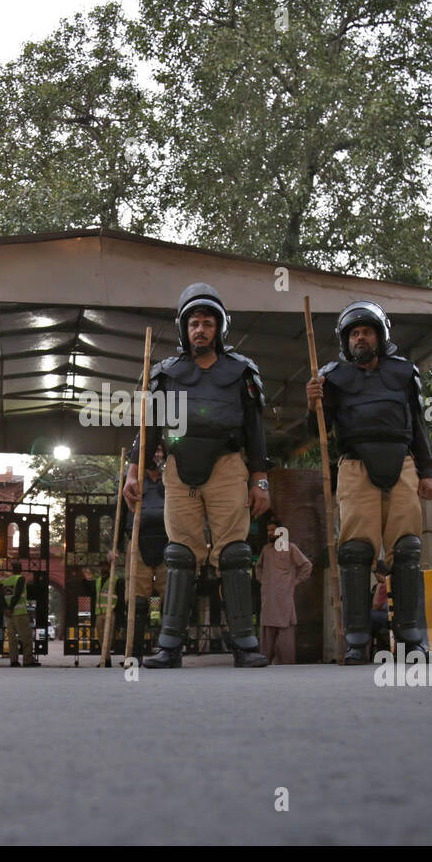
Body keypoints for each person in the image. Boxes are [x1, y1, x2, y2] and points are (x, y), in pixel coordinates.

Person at [124, 282, 270, 668]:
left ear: (220, 328)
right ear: (183, 330)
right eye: (194, 324)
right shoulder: (165, 374)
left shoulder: (242, 372)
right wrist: (133, 472)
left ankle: (244, 644)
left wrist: (260, 480)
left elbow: (256, 433)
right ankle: (169, 646)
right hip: (179, 469)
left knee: (235, 554)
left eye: (207, 323)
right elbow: (148, 430)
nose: (200, 330)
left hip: (227, 466)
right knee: (180, 554)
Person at [306, 300, 432, 662]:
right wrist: (313, 404)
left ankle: (411, 637)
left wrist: (428, 472)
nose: (360, 338)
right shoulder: (331, 377)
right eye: (353, 334)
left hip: (402, 462)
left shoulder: (404, 373)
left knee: (408, 549)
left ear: (380, 336)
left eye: (366, 331)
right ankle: (357, 641)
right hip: (354, 465)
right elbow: (315, 430)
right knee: (355, 551)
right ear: (345, 342)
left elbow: (419, 425)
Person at [112, 443, 168, 662]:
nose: (156, 454)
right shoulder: (132, 482)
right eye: (152, 451)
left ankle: (168, 650)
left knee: (171, 599)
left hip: (168, 542)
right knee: (138, 602)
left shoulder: (172, 480)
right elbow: (118, 512)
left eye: (159, 451)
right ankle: (135, 652)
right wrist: (115, 546)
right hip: (138, 541)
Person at [255, 518, 312, 665]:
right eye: (268, 530)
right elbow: (258, 567)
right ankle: (264, 661)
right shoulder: (266, 550)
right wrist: (264, 581)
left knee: (285, 631)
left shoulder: (290, 548)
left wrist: (295, 582)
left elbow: (306, 566)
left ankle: (287, 665)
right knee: (267, 631)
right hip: (268, 597)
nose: (270, 533)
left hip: (284, 597)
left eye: (273, 529)